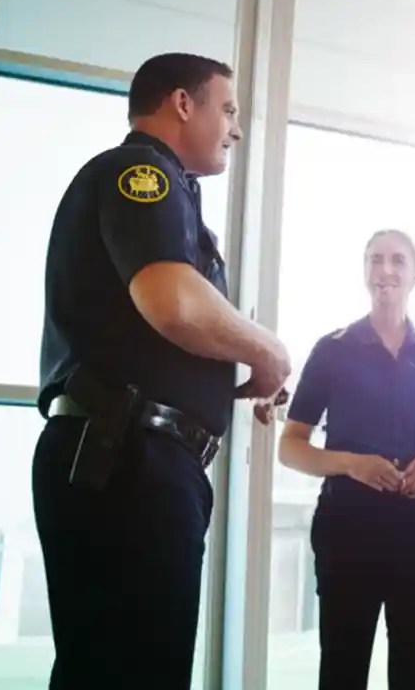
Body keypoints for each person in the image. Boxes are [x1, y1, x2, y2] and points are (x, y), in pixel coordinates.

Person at [34, 53, 291, 689]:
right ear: (183, 103)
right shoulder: (143, 171)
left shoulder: (169, 193)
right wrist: (268, 351)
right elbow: (172, 301)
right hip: (127, 462)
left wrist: (229, 382)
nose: (234, 128)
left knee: (112, 668)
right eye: (227, 109)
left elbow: (152, 339)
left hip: (130, 456)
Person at [278, 229, 415, 690]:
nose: (386, 270)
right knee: (343, 664)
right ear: (364, 272)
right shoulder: (332, 349)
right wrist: (352, 464)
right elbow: (291, 445)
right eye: (375, 259)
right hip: (348, 526)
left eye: (398, 260)